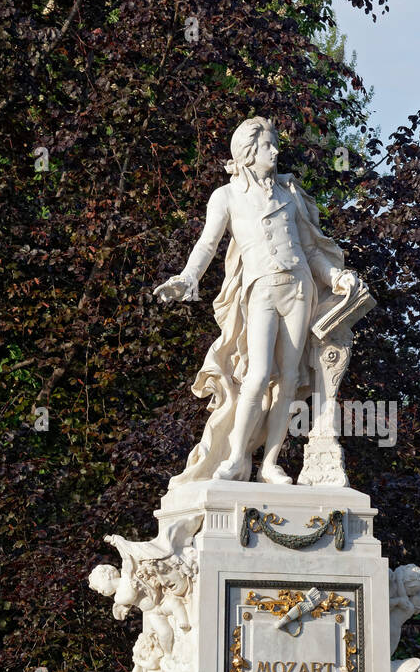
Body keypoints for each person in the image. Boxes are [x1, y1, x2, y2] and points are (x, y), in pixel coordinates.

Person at [154, 116, 365, 484]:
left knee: (287, 379)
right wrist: (189, 277)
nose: (276, 150)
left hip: (299, 289)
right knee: (258, 375)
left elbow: (311, 250)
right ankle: (237, 458)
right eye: (269, 145)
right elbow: (207, 243)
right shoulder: (228, 196)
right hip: (261, 289)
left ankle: (269, 463)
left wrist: (335, 275)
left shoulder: (290, 193)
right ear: (248, 152)